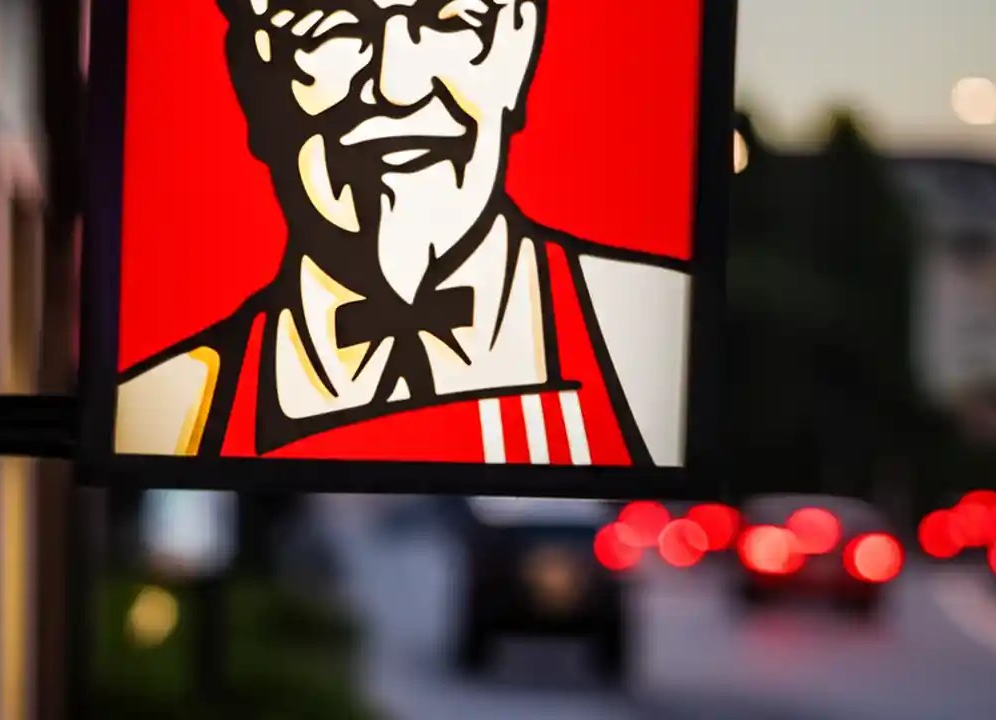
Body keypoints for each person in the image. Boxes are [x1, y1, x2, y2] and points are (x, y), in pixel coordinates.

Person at [115, 0, 693, 466]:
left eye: (449, 19)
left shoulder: (648, 331)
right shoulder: (168, 411)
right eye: (334, 26)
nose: (398, 85)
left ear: (518, 52)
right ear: (255, 85)